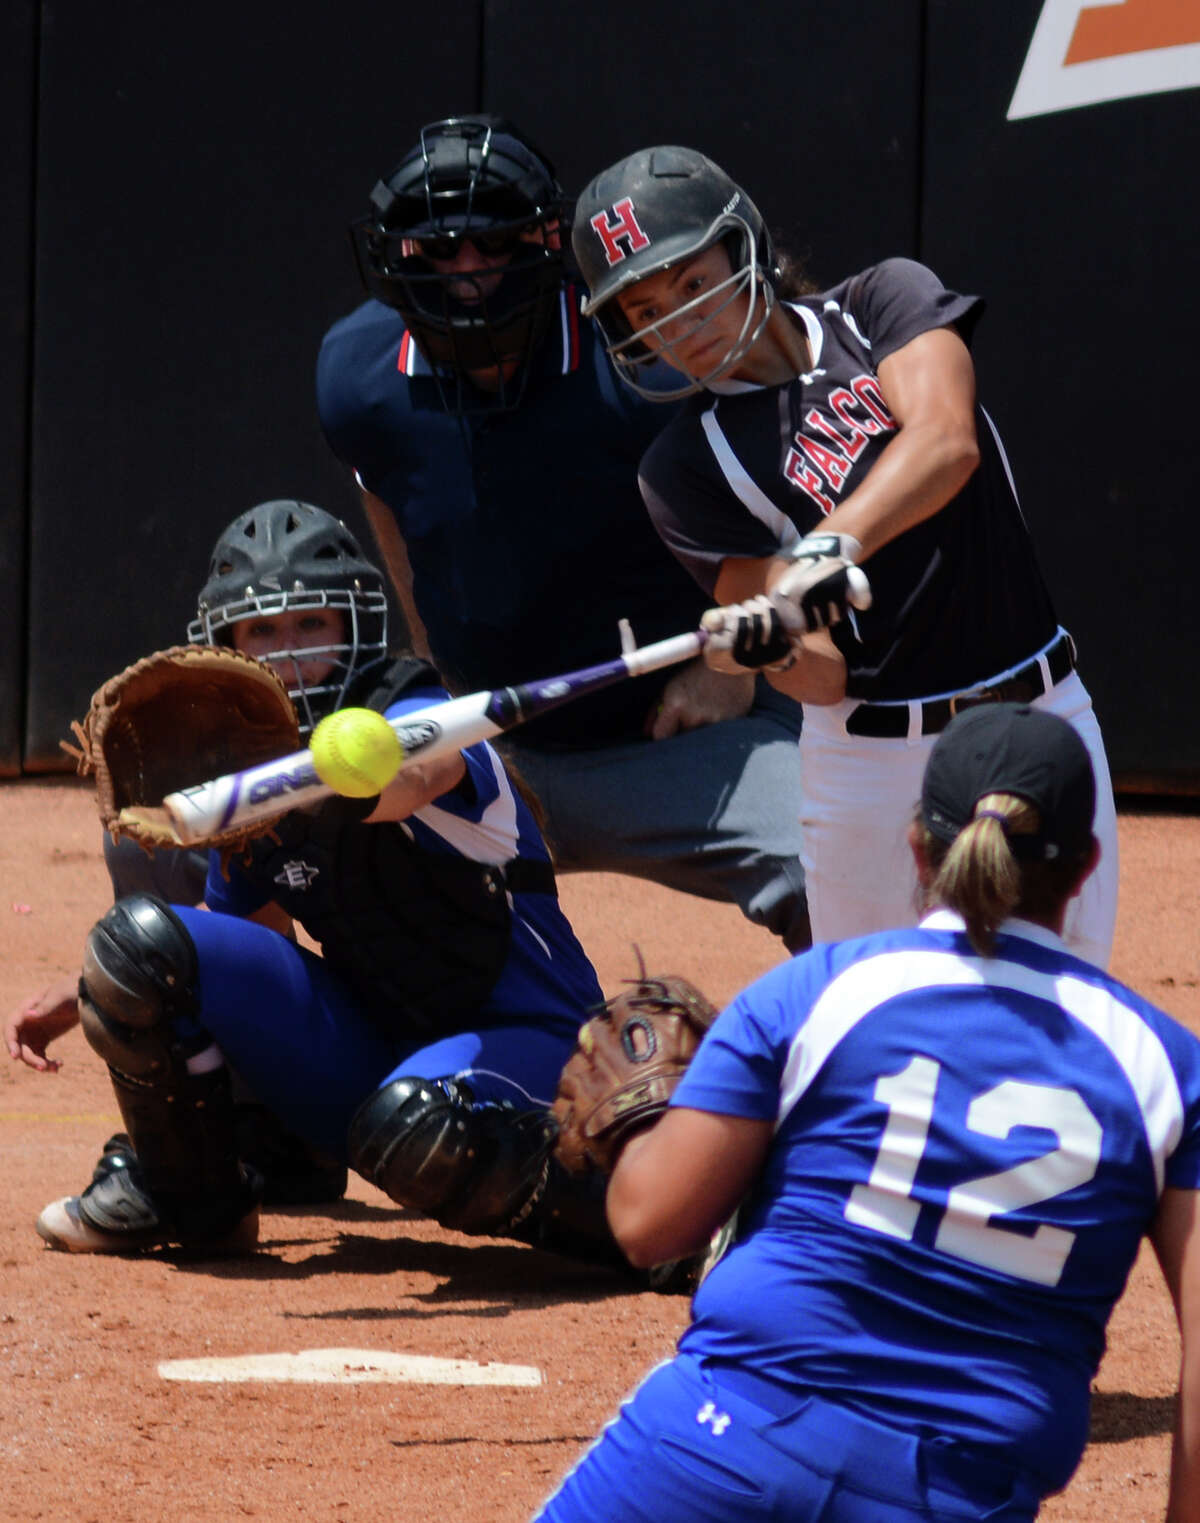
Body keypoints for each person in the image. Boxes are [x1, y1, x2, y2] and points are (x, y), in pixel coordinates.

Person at [531, 703, 1200, 1523]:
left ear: (919, 844)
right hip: (950, 1495)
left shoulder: (819, 992)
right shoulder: (1166, 1068)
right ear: (1089, 864)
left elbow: (648, 1224)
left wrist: (640, 1124)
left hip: (719, 1446)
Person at [6, 499, 632, 1275]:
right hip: (371, 1058)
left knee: (414, 1123)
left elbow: (415, 775)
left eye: (311, 625)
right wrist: (99, 991)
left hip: (536, 1044)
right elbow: (252, 957)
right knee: (139, 943)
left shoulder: (420, 711)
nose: (290, 654)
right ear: (225, 646)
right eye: (262, 632)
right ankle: (195, 1198)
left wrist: (324, 775)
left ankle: (651, 1226)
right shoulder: (253, 785)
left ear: (357, 626)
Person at [570, 145, 1119, 968]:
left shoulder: (879, 302)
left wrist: (831, 542)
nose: (680, 324)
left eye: (692, 283)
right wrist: (772, 647)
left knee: (1060, 1009)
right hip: (875, 765)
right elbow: (824, 675)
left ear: (745, 246)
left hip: (1040, 716)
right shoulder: (685, 468)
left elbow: (945, 442)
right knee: (875, 1036)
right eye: (646, 312)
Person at [315, 114, 811, 953]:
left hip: (679, 732)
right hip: (494, 748)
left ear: (547, 241)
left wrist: (721, 670)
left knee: (825, 861)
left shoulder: (643, 355)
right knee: (318, 863)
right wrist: (439, 668)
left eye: (492, 244)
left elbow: (790, 495)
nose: (465, 276)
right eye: (437, 251)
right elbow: (389, 504)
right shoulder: (359, 377)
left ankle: (874, 1059)